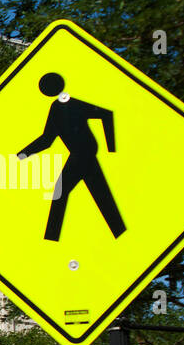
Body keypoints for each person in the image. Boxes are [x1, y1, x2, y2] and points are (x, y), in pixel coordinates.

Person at [18, 72, 125, 242]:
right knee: (100, 195)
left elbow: (106, 114)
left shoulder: (72, 103)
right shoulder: (56, 108)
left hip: (84, 154)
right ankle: (120, 232)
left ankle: (51, 239)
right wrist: (21, 156)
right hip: (79, 155)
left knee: (62, 193)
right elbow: (47, 140)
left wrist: (111, 148)